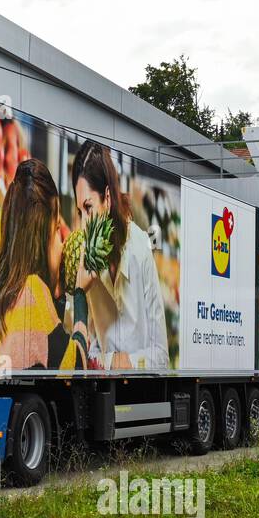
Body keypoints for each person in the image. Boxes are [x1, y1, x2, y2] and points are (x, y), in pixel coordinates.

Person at [69, 141, 169, 371]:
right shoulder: (89, 258)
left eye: (88, 207)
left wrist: (127, 362)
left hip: (140, 391)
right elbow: (89, 350)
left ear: (107, 197)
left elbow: (161, 354)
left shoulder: (140, 249)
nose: (84, 223)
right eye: (78, 212)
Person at [0, 158, 88, 371]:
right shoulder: (33, 290)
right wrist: (80, 294)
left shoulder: (4, 290)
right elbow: (76, 365)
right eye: (56, 230)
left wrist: (58, 293)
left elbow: (49, 350)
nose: (62, 244)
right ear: (42, 238)